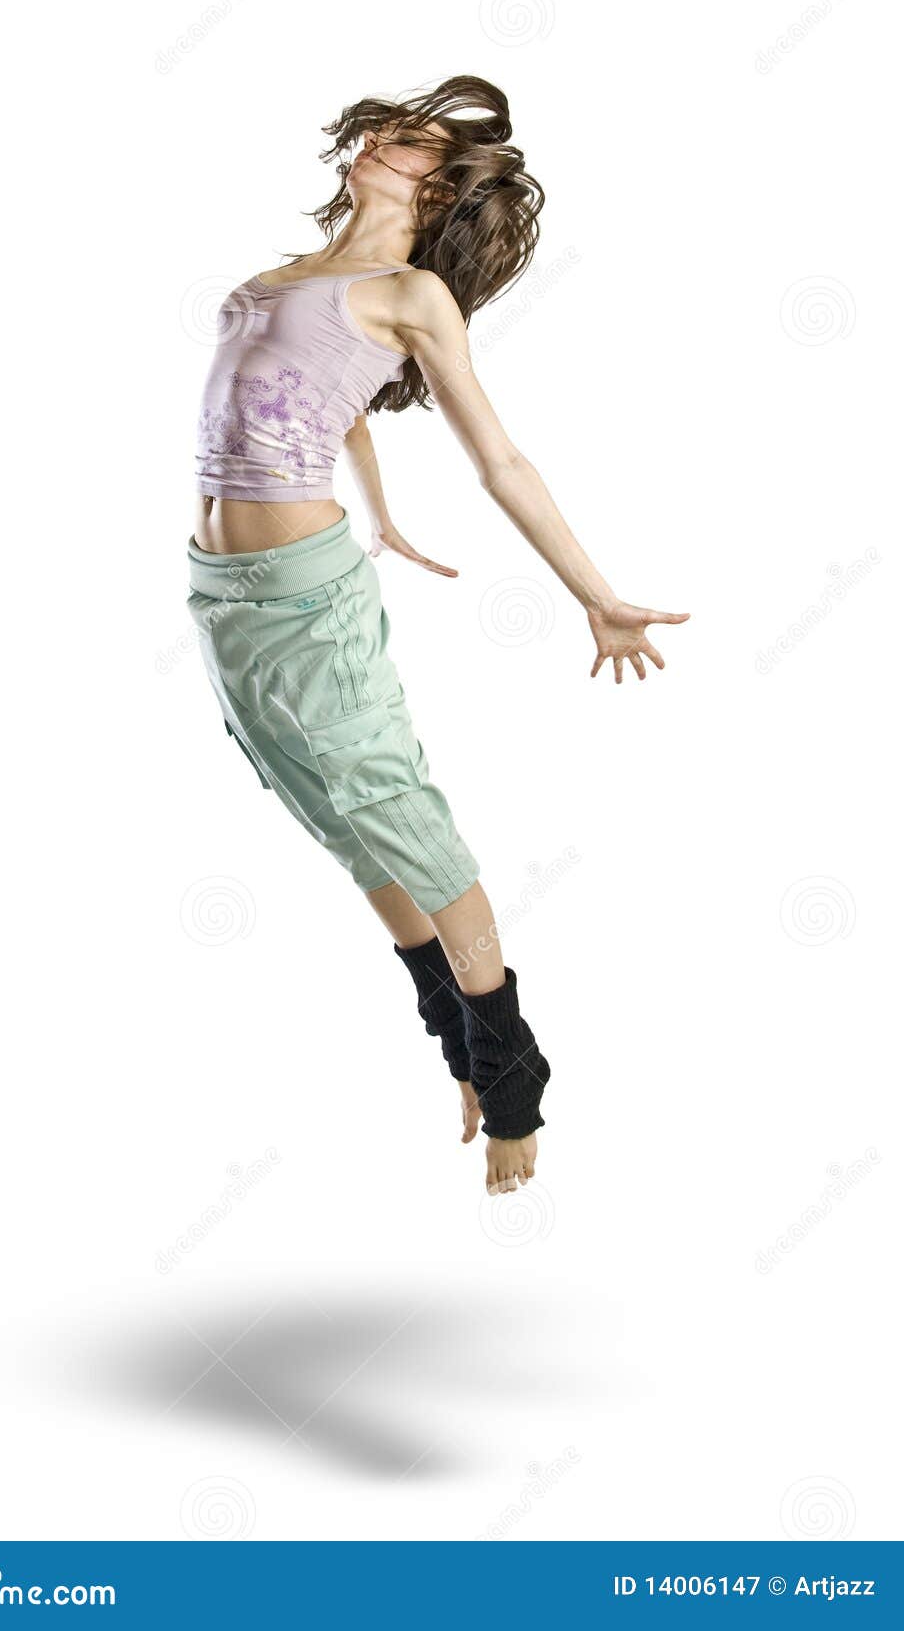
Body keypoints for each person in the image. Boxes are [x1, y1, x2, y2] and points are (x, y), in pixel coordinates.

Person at [188, 76, 688, 1197]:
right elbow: (338, 405)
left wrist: (595, 595)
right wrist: (382, 516)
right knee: (339, 824)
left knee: (399, 818)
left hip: (305, 602)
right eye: (385, 127)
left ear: (439, 191)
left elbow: (500, 459)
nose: (380, 139)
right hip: (220, 594)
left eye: (410, 142)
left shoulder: (411, 294)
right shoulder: (276, 280)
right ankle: (455, 1035)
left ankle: (509, 1075)